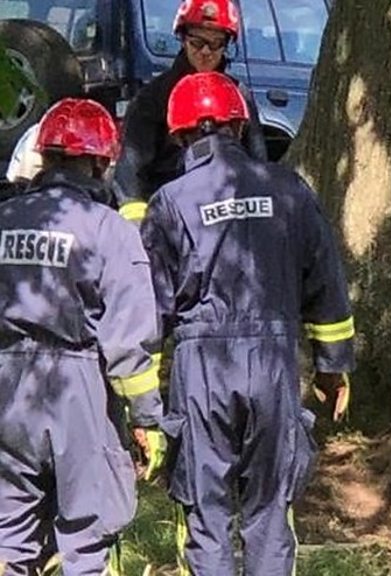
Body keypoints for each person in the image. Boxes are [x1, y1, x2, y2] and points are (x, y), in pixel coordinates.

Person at [140, 71, 354, 575]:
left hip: (202, 369)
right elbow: (326, 279)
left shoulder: (169, 203)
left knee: (206, 512)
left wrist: (144, 406)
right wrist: (333, 366)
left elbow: (151, 308)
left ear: (180, 135)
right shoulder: (289, 189)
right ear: (240, 128)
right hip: (275, 365)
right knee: (270, 511)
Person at [0, 98, 166, 575]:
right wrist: (148, 419)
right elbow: (128, 339)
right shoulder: (108, 230)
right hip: (79, 393)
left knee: (9, 537)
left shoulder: (5, 221)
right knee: (87, 538)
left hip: (9, 392)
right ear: (98, 162)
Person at [113, 0, 267, 223]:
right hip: (171, 216)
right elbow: (130, 175)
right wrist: (141, 228)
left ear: (227, 45)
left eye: (216, 44)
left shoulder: (239, 95)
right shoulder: (153, 97)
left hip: (227, 216)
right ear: (183, 40)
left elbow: (257, 164)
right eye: (197, 42)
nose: (206, 52)